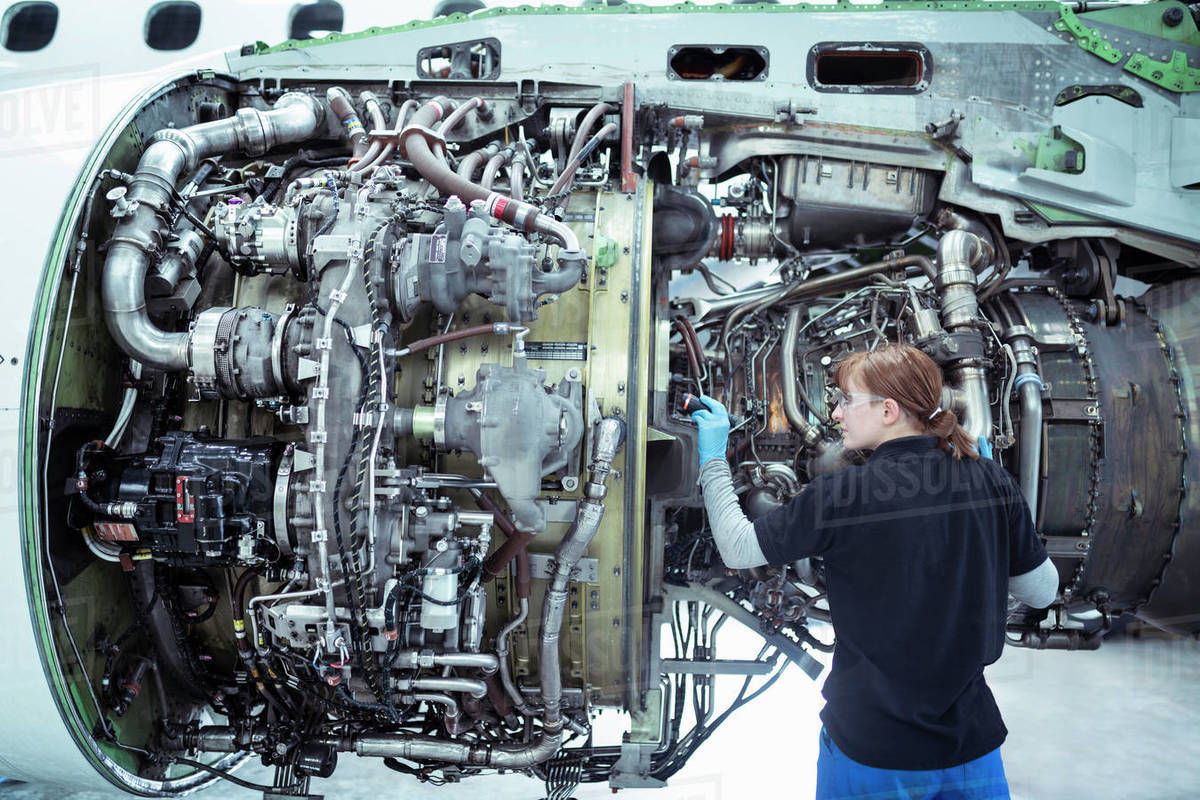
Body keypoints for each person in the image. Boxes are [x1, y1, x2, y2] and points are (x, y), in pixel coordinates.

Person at [691, 342, 1058, 800]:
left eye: (846, 400)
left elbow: (739, 547)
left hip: (874, 753)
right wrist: (986, 538)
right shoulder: (989, 479)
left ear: (888, 410)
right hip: (971, 749)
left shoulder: (843, 494)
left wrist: (711, 457)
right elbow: (1042, 591)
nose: (837, 414)